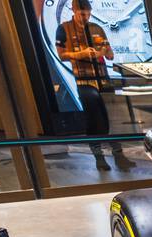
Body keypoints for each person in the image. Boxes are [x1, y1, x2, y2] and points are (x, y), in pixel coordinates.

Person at [55, 0, 133, 171]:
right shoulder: (63, 29)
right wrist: (81, 54)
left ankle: (119, 156)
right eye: (82, 14)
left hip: (103, 79)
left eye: (88, 14)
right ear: (73, 10)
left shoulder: (97, 28)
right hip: (84, 80)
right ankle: (99, 158)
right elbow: (62, 55)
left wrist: (103, 52)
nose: (85, 17)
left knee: (111, 119)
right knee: (94, 119)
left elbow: (110, 54)